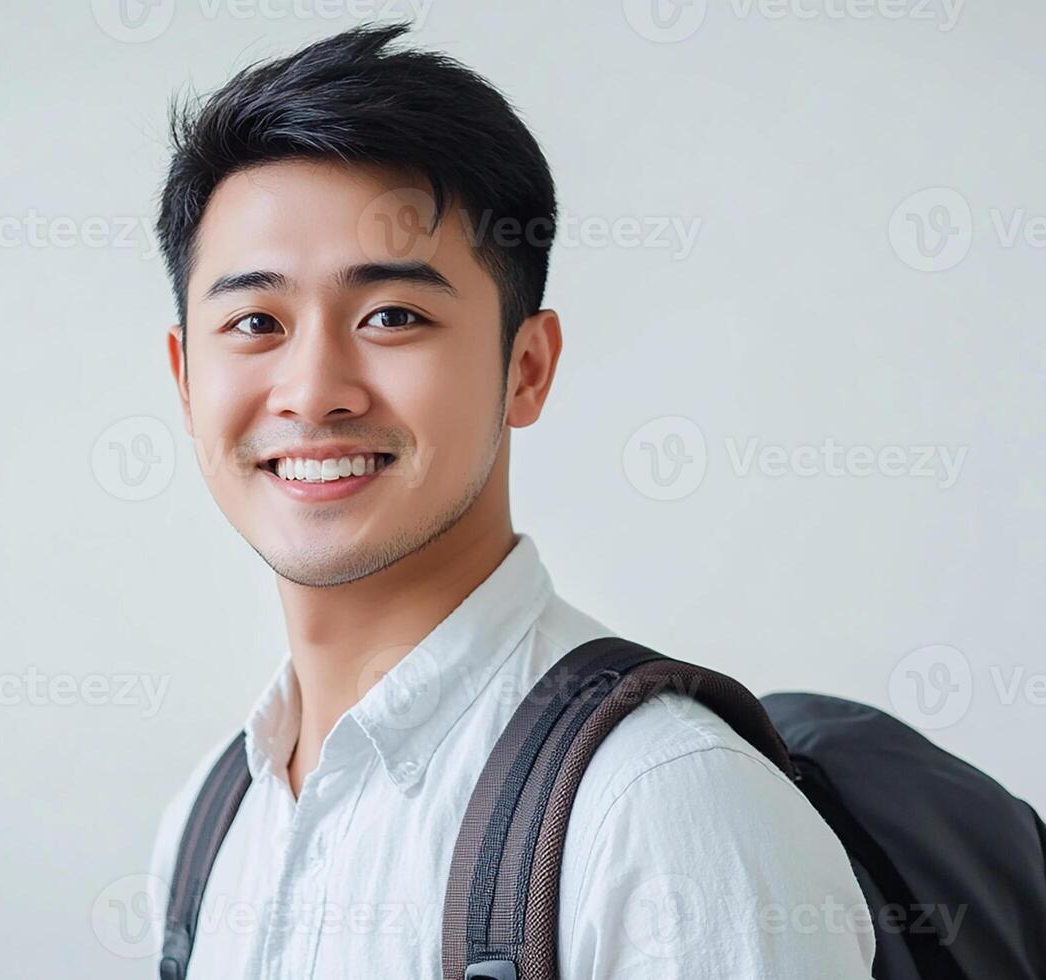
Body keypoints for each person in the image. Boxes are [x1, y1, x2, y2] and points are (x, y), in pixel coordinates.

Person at [146, 22, 875, 978]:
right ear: (185, 378)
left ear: (526, 368)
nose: (314, 390)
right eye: (254, 322)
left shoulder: (663, 808)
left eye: (392, 316)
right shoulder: (208, 828)